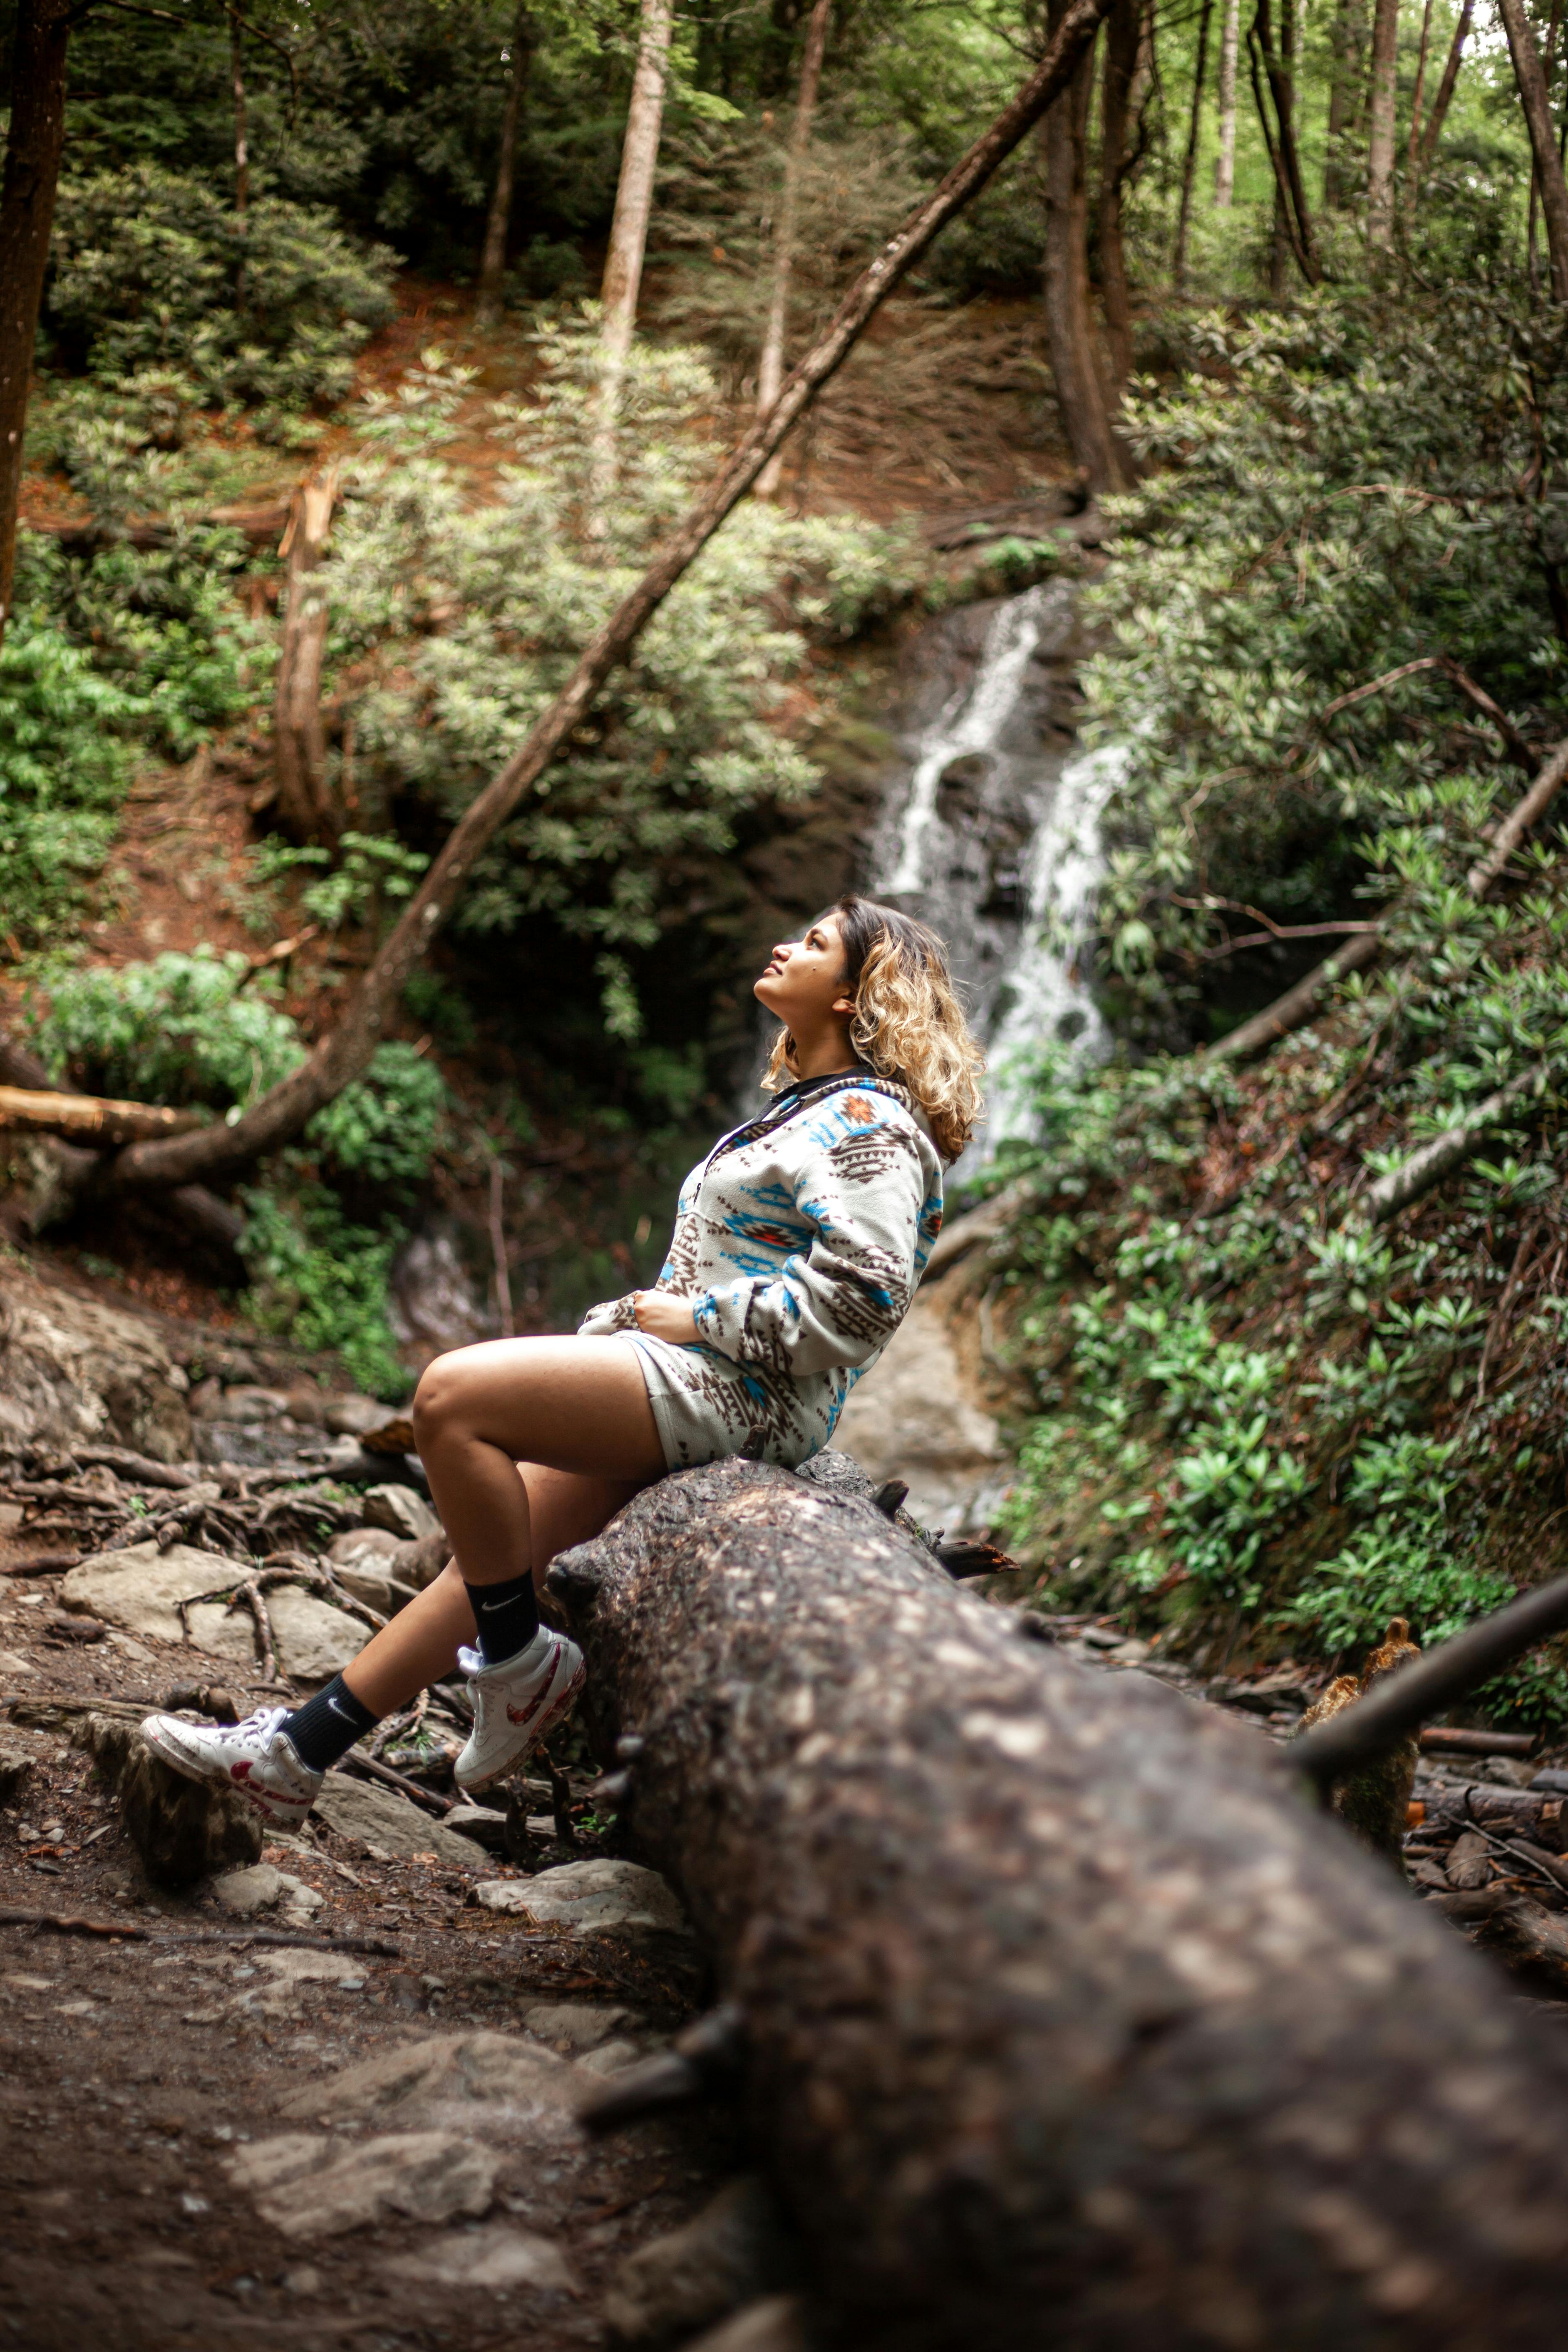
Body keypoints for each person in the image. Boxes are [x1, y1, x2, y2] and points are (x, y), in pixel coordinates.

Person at [140, 897, 985, 1826]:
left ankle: (519, 1666)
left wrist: (694, 1316)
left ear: (856, 994)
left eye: (816, 943)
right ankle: (292, 1756)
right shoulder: (811, 1107)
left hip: (739, 1393)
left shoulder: (867, 1122)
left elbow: (863, 1301)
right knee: (477, 1576)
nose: (785, 945)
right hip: (708, 1378)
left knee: (450, 1398)